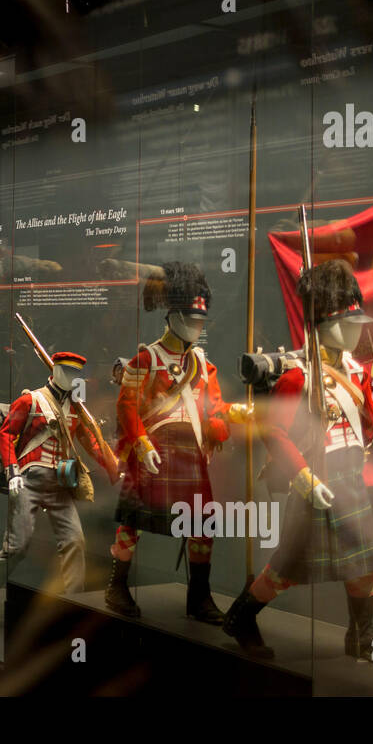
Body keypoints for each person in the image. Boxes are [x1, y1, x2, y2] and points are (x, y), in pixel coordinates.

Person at [223, 259, 373, 665]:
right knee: (285, 569)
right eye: (346, 323)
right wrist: (305, 477)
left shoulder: (354, 372)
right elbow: (274, 432)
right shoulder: (297, 376)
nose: (356, 330)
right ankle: (240, 618)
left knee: (365, 564)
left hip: (350, 478)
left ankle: (362, 640)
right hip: (317, 478)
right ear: (323, 325)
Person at [106, 262, 252, 623]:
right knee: (133, 520)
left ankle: (198, 598)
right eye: (192, 317)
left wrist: (236, 413)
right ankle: (117, 586)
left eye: (201, 320)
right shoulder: (146, 359)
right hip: (154, 448)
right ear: (172, 315)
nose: (198, 326)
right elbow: (126, 407)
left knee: (201, 525)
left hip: (190, 452)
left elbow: (214, 407)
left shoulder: (202, 363)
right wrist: (141, 443)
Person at [0, 352, 116, 626]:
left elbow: (89, 441)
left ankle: (72, 606)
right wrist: (12, 470)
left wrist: (112, 465)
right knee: (17, 546)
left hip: (60, 484)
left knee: (75, 542)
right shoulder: (31, 400)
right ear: (55, 370)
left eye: (76, 375)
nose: (72, 379)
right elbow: (6, 434)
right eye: (67, 372)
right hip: (28, 481)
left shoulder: (76, 408)